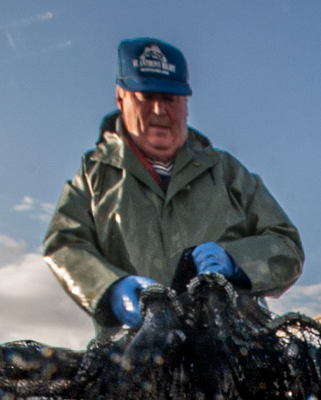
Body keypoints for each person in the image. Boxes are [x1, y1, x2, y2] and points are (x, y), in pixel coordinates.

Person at [44, 38, 302, 336]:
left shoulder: (228, 172)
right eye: (146, 96)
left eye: (171, 98)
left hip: (234, 352)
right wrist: (110, 288)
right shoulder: (93, 176)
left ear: (186, 104)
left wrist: (236, 260)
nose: (159, 110)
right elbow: (64, 243)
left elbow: (287, 245)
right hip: (132, 358)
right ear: (121, 98)